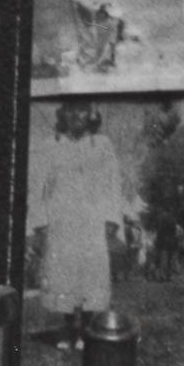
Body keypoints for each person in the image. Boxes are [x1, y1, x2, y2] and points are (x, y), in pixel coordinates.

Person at [27, 93, 133, 323]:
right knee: (63, 271)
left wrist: (111, 220)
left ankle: (86, 326)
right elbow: (37, 186)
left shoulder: (102, 144)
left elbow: (112, 184)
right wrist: (41, 223)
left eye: (83, 109)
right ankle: (67, 328)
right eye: (71, 109)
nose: (77, 115)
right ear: (63, 113)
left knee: (90, 271)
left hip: (92, 220)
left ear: (91, 114)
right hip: (61, 219)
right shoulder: (51, 145)